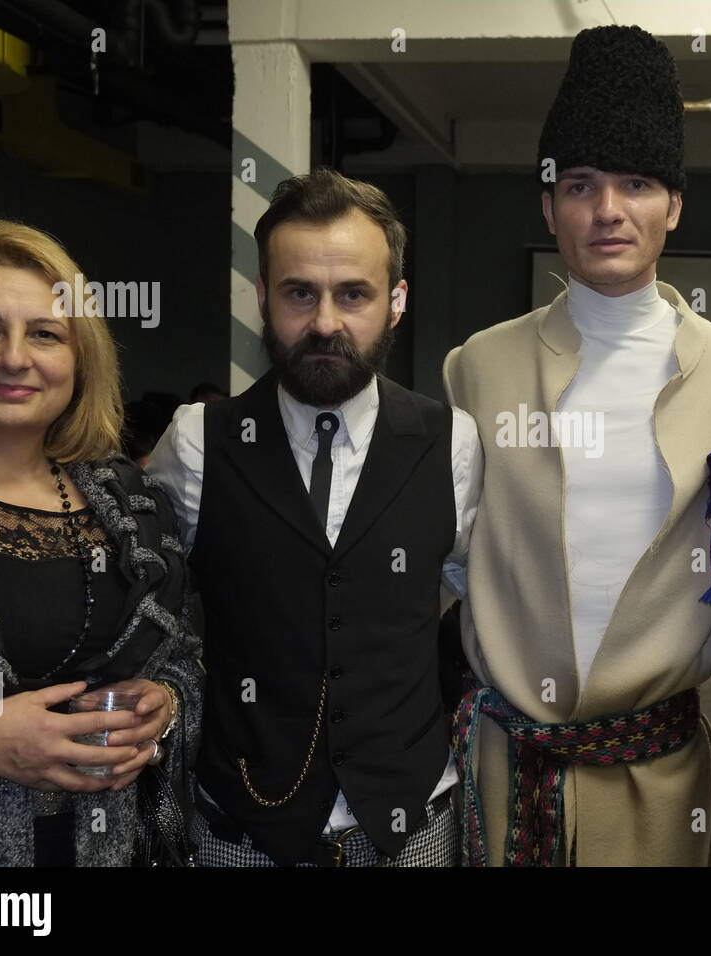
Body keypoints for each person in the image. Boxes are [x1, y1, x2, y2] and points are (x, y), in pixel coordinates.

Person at [444, 24, 711, 866]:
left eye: (636, 184)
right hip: (504, 769)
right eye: (580, 184)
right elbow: (448, 558)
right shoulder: (479, 367)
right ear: (548, 205)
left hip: (662, 780)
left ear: (672, 204)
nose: (607, 211)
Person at [147, 168, 482, 867]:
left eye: (353, 294)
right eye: (300, 293)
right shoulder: (197, 442)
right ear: (263, 299)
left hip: (412, 825)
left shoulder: (453, 442)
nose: (325, 322)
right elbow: (151, 614)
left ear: (396, 302)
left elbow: (482, 607)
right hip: (240, 827)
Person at [0, 219, 201, 866]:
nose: (15, 357)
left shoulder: (133, 507)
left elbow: (185, 660)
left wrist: (166, 705)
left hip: (113, 849)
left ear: (78, 358)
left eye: (45, 334)